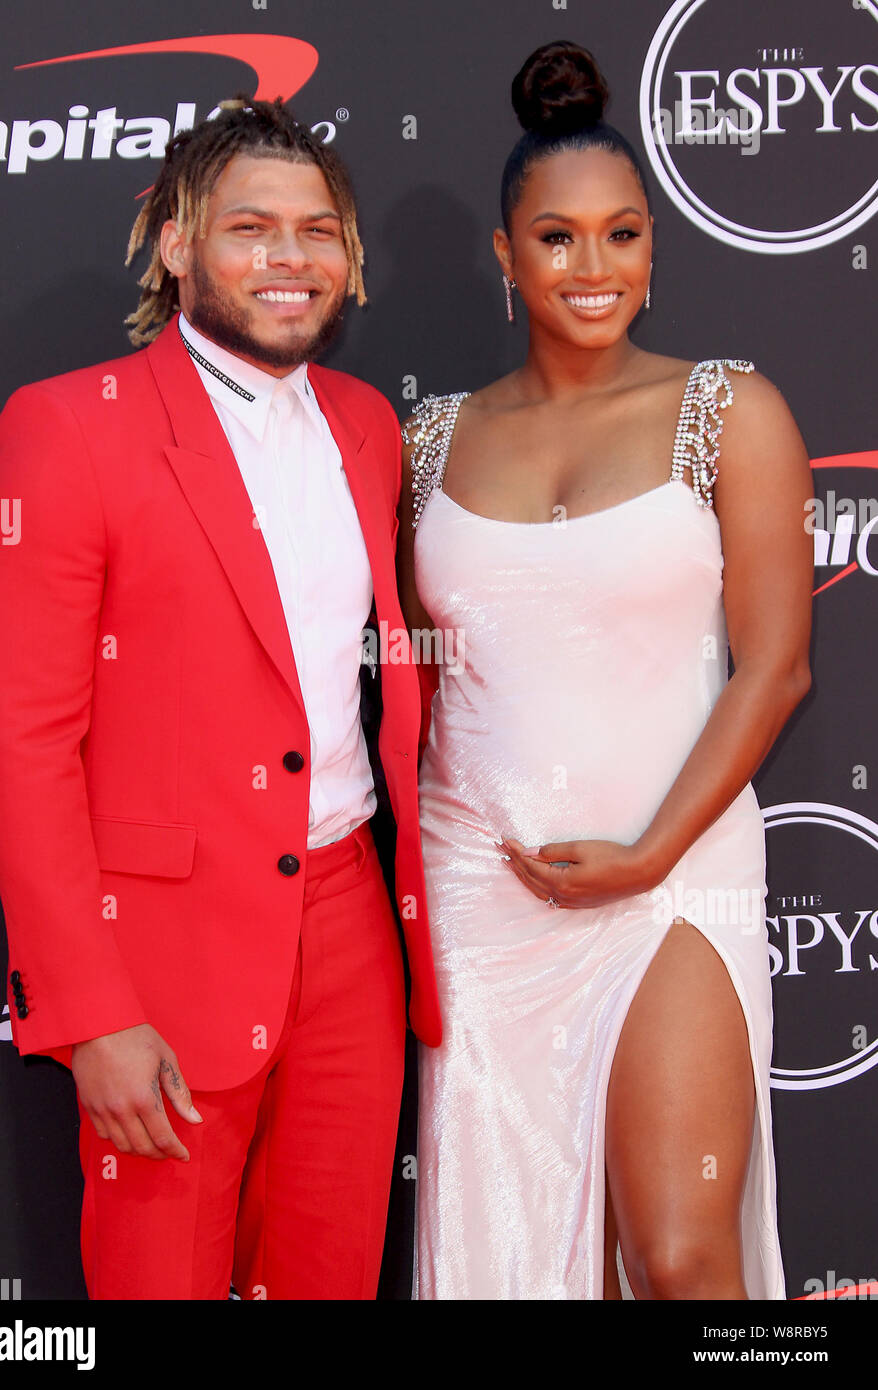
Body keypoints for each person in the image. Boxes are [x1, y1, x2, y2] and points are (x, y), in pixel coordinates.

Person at [0, 94, 441, 1301]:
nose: (290, 259)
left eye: (318, 231)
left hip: (346, 927)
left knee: (328, 1274)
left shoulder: (366, 423)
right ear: (177, 243)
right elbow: (26, 744)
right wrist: (89, 1010)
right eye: (250, 228)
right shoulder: (66, 427)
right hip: (159, 949)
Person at [399, 40, 812, 1300]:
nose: (594, 269)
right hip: (483, 887)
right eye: (558, 239)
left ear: (652, 246)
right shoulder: (425, 439)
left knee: (684, 1256)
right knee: (510, 1258)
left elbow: (776, 669)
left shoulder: (731, 410)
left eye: (621, 235)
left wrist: (646, 852)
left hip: (673, 874)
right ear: (506, 254)